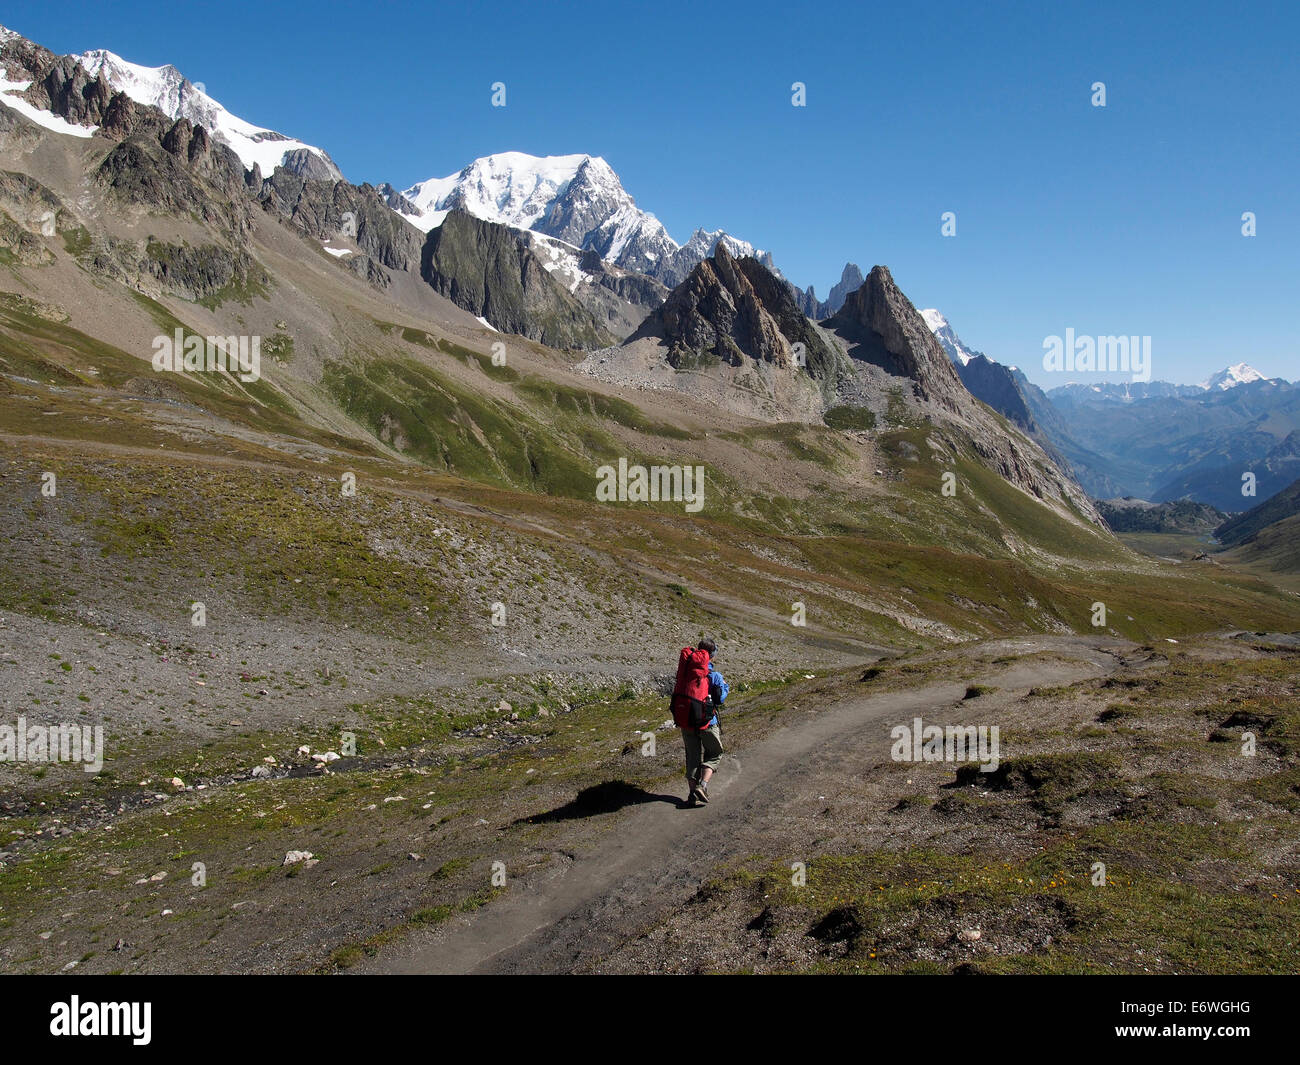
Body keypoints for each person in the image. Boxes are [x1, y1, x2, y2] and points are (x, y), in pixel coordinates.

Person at [670, 638, 726, 806]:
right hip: (708, 722)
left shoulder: (686, 671)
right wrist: (725, 687)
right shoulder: (714, 676)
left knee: (692, 756)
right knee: (715, 753)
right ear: (712, 655)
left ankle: (691, 793)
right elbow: (720, 698)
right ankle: (703, 785)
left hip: (686, 722)